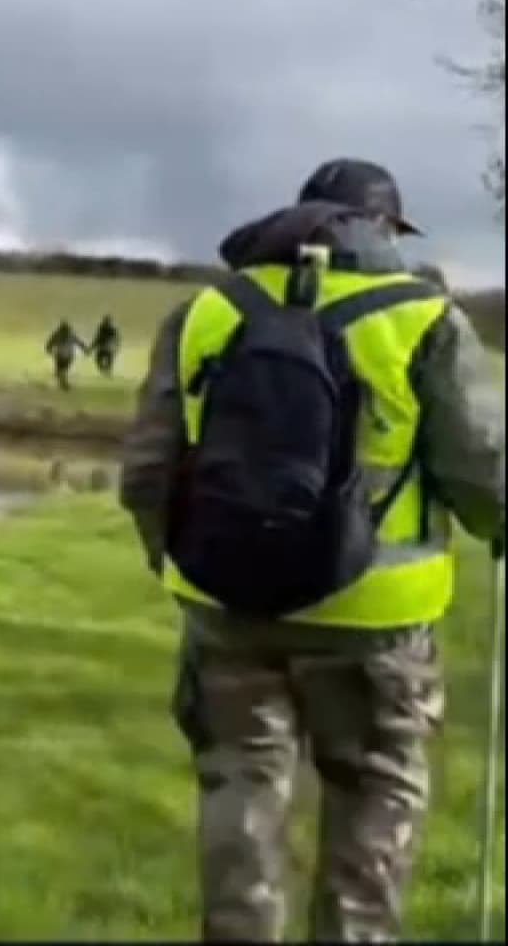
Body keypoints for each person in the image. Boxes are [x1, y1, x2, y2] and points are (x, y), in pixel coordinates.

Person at [119, 157, 506, 942]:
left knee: (240, 787)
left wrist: (172, 557)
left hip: (228, 604)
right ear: (386, 228)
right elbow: (481, 471)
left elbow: (147, 472)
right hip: (379, 620)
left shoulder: (207, 311)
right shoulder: (425, 317)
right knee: (373, 796)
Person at [45, 319, 85, 389]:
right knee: (62, 371)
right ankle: (63, 383)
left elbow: (49, 343)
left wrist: (49, 349)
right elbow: (80, 343)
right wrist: (85, 349)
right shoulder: (71, 335)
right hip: (68, 356)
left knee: (60, 371)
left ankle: (63, 383)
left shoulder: (57, 334)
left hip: (61, 356)